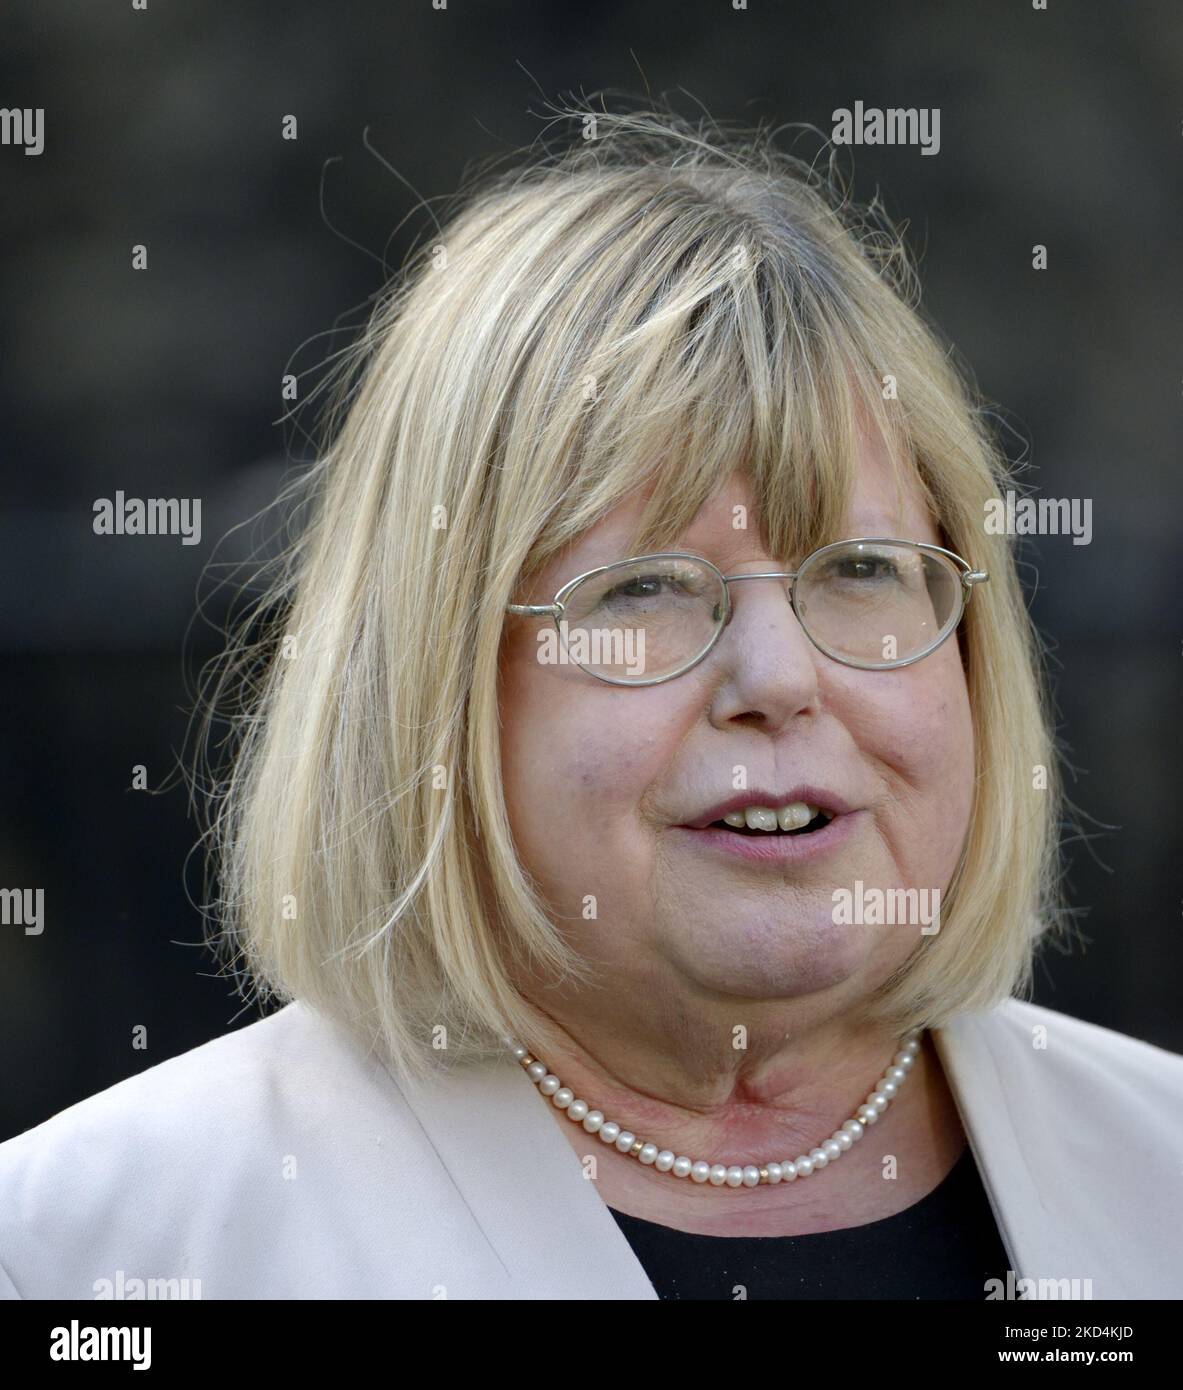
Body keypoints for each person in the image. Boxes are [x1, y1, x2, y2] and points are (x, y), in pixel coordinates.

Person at [1, 105, 1180, 1301]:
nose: (776, 679)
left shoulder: (1158, 1178)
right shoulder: (95, 1248)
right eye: (650, 588)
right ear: (436, 680)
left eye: (861, 570)